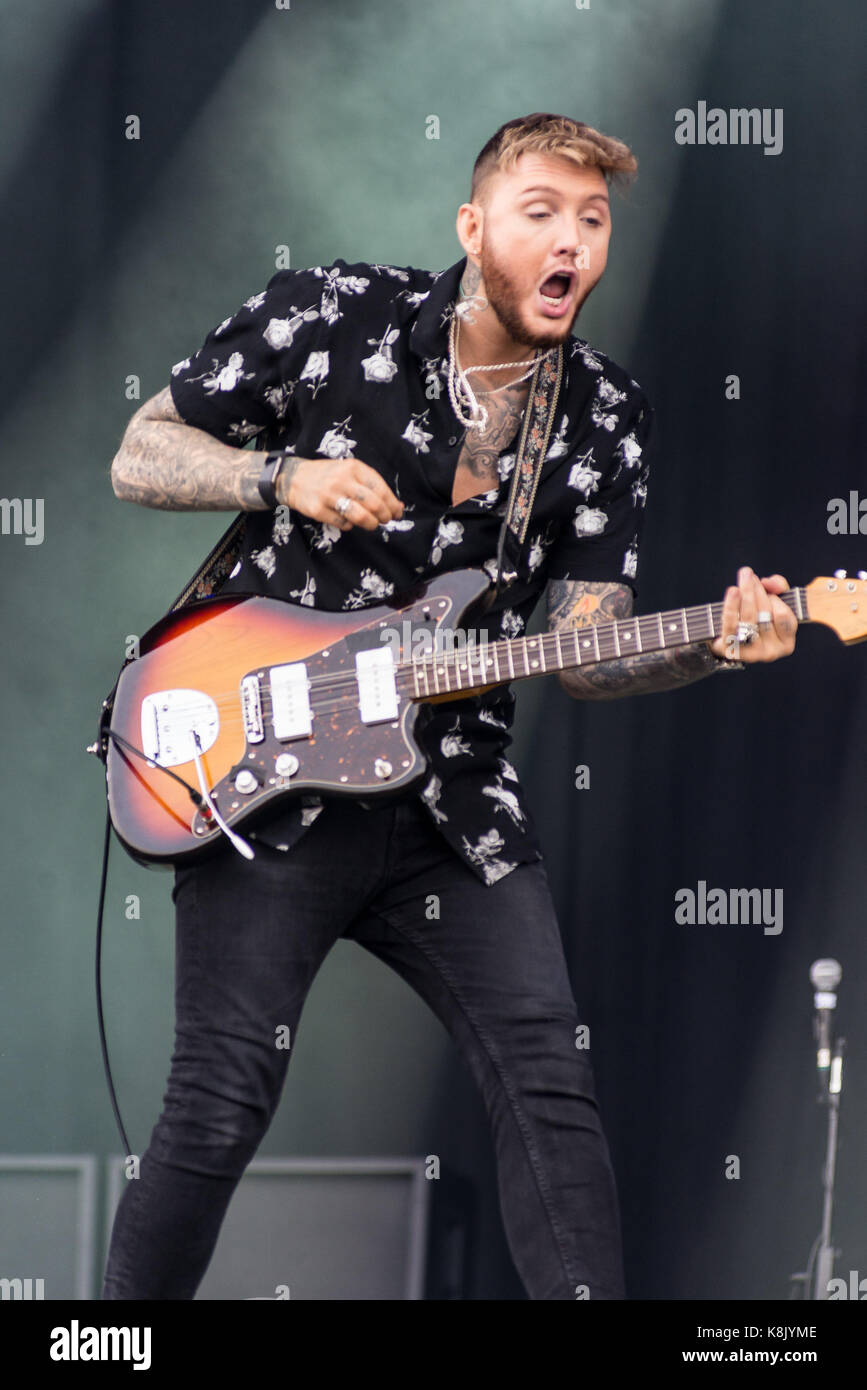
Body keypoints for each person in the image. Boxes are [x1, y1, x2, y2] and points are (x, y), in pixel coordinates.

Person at [101, 112, 797, 1301]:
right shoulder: (334, 316)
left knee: (547, 1081)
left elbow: (583, 651)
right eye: (542, 213)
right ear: (474, 228)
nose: (571, 240)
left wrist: (714, 648)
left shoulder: (604, 419)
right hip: (269, 777)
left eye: (593, 220)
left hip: (452, 796)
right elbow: (138, 453)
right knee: (218, 1106)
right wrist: (282, 475)